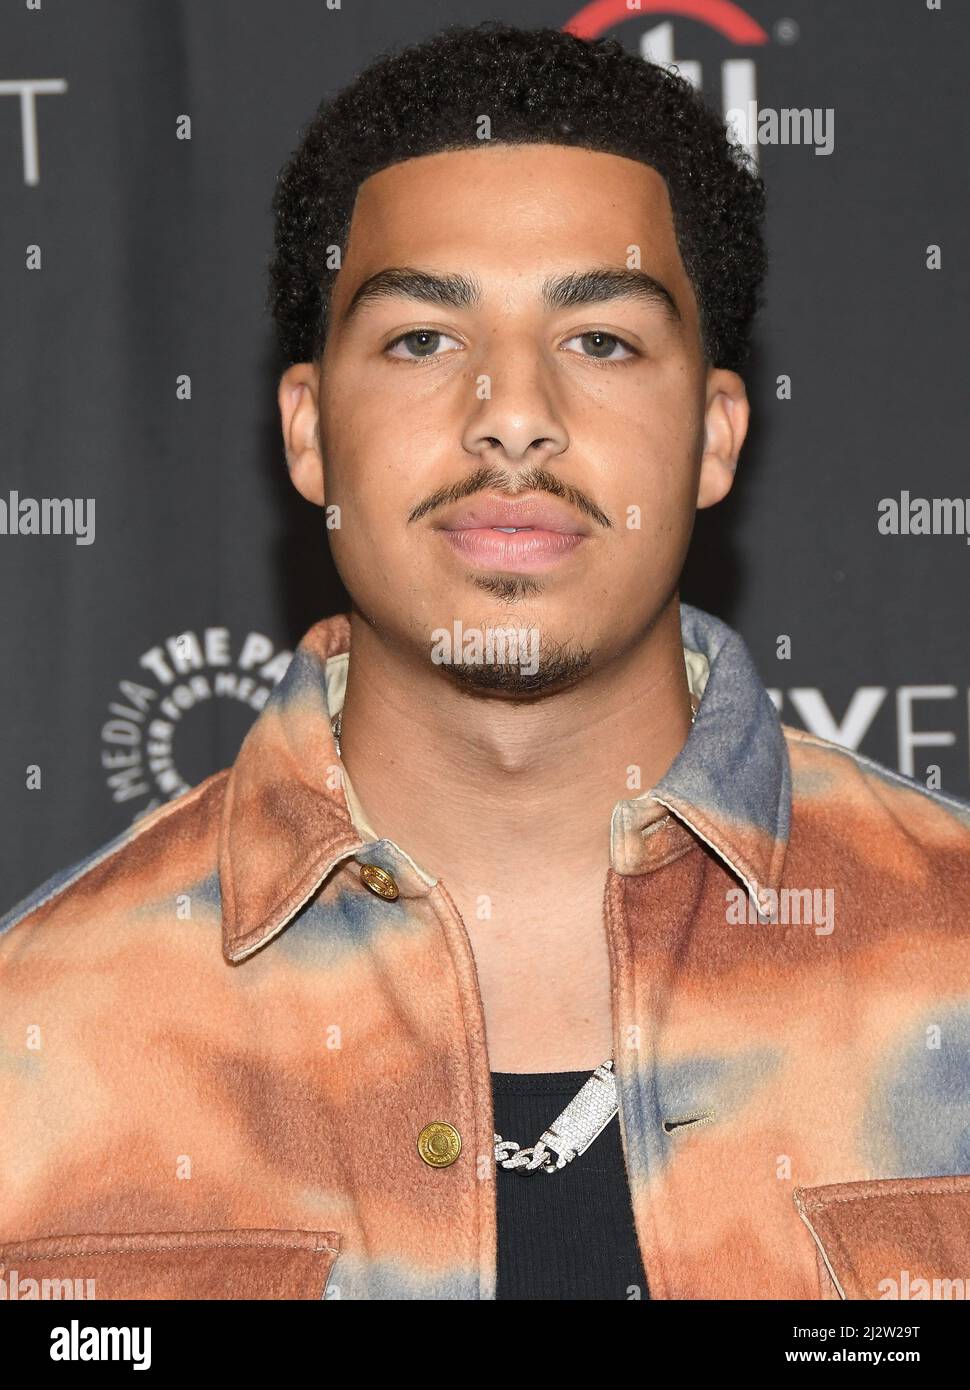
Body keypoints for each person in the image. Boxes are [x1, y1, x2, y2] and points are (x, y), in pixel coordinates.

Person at [2, 20, 969, 1303]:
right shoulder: (39, 1035)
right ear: (307, 432)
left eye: (602, 341)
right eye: (420, 340)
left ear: (714, 437)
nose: (513, 412)